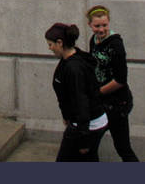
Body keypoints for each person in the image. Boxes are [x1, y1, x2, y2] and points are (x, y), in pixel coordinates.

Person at [46, 22, 107, 161]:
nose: (49, 48)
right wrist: (66, 116)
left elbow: (81, 102)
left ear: (60, 43)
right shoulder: (72, 58)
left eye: (50, 44)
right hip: (88, 122)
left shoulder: (74, 68)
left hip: (86, 125)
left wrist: (83, 140)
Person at [86, 5, 138, 161]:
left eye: (104, 25)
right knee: (89, 145)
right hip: (101, 101)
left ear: (109, 23)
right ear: (90, 25)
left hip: (117, 103)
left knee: (122, 146)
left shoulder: (116, 46)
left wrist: (98, 93)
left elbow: (120, 80)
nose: (101, 30)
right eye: (97, 26)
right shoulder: (93, 41)